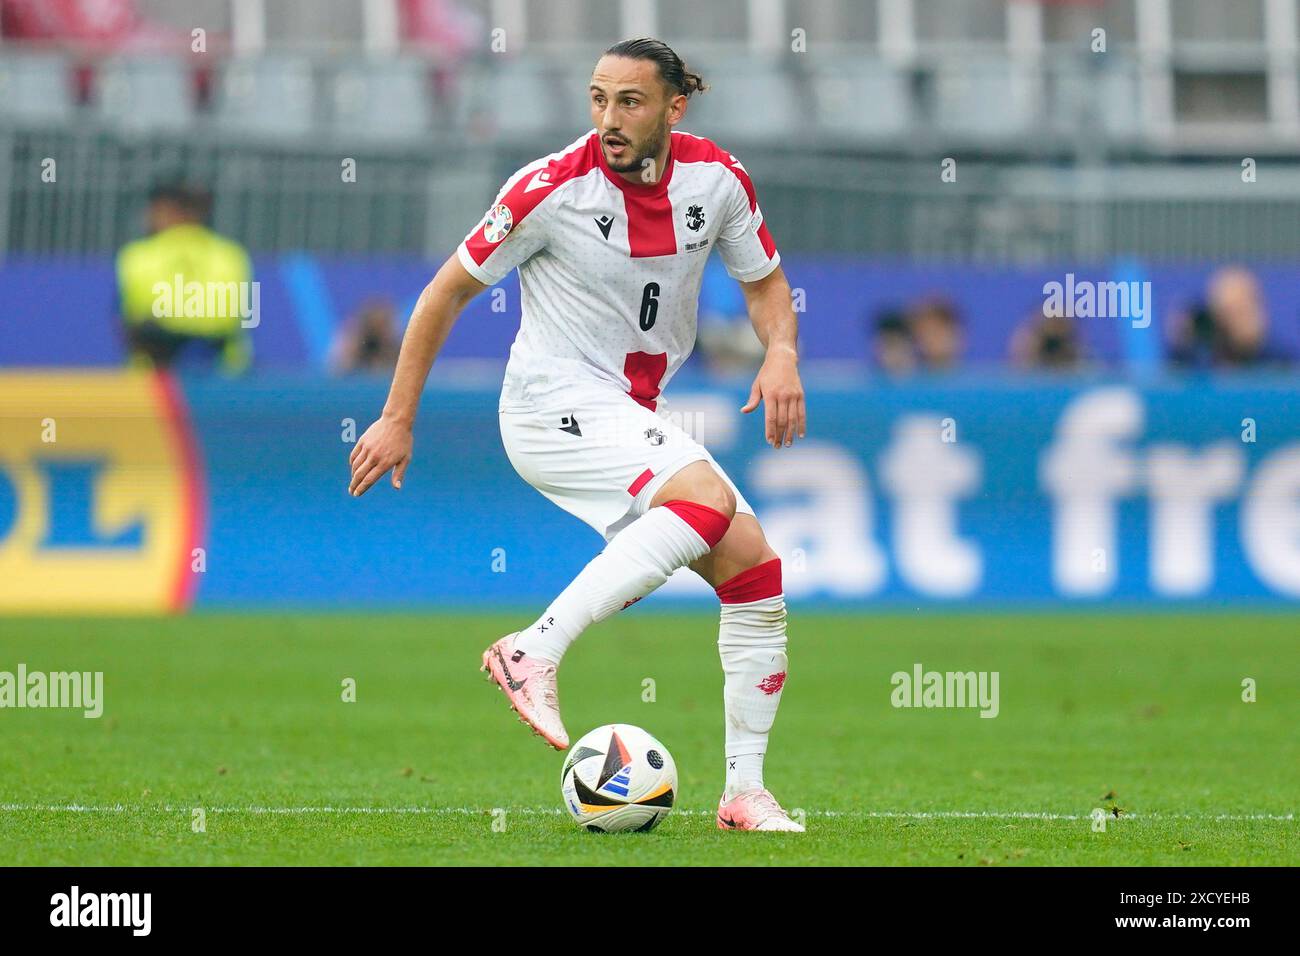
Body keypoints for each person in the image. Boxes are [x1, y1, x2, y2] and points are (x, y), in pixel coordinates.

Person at [348, 37, 806, 832]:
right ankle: (534, 649)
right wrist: (396, 415)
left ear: (674, 106)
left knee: (755, 569)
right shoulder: (548, 190)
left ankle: (744, 792)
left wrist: (783, 353)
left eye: (629, 101)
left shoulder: (718, 181)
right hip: (547, 405)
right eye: (597, 99)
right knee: (700, 496)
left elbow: (763, 282)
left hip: (627, 411)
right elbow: (443, 293)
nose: (609, 119)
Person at [116, 181, 253, 374]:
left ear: (170, 211)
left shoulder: (136, 256)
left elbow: (127, 321)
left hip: (155, 383)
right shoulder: (232, 255)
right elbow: (242, 318)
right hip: (223, 376)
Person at [1167, 266, 1290, 369]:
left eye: (1241, 311)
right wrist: (1182, 343)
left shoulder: (1280, 367)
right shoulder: (1198, 364)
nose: (1235, 321)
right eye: (1227, 312)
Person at [331, 298, 402, 374]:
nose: (382, 329)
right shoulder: (354, 347)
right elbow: (336, 371)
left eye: (385, 325)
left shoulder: (396, 351)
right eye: (377, 325)